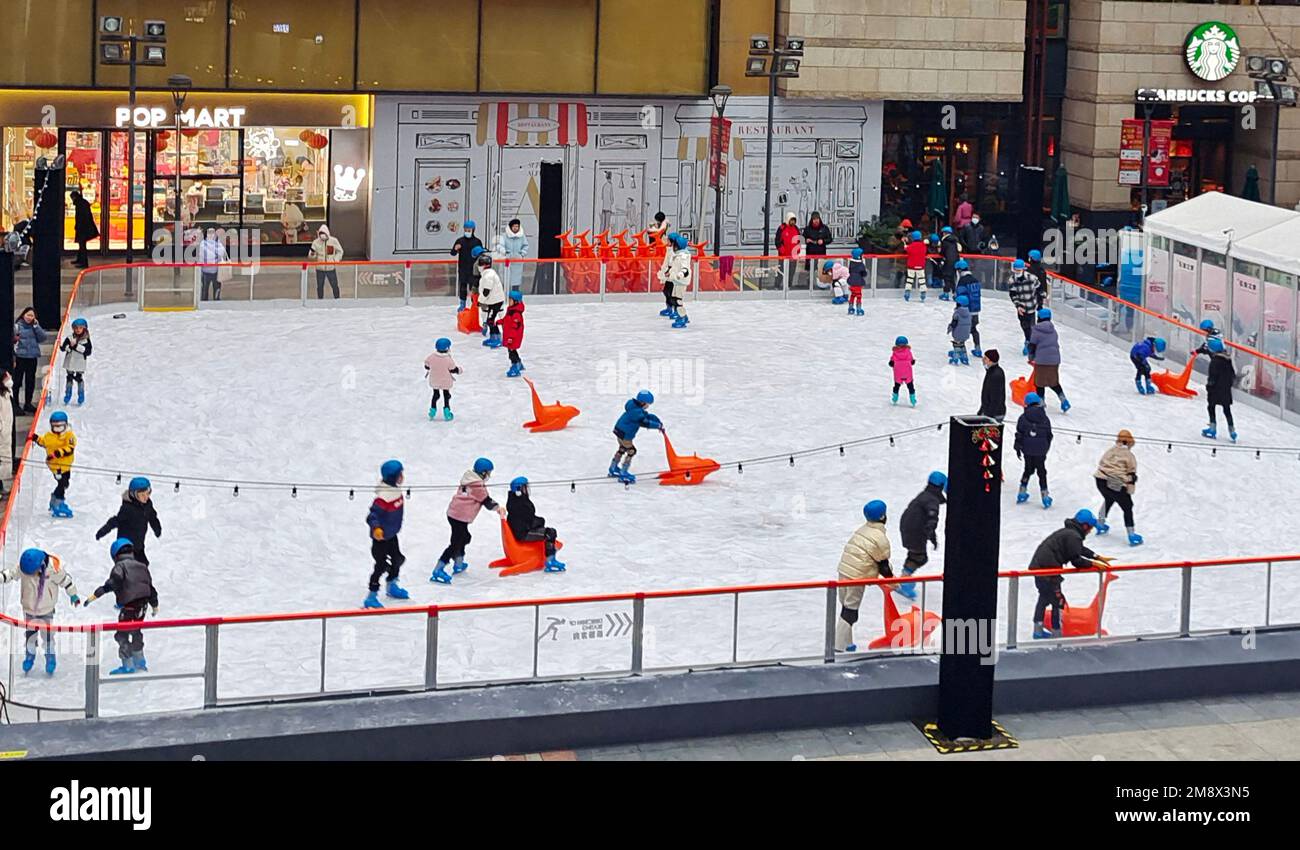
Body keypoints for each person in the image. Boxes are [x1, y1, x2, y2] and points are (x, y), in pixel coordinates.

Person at [1028, 510, 1113, 639]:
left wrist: (1098, 557)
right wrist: (1093, 565)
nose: (1090, 531)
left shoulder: (1069, 533)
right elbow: (1076, 560)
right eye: (1090, 528)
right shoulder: (1073, 536)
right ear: (1084, 526)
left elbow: (1079, 549)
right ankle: (1057, 634)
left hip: (1041, 568)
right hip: (1048, 571)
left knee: (1044, 598)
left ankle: (1038, 631)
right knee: (1058, 601)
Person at [85, 538, 158, 674]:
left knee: (121, 634)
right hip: (143, 606)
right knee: (136, 630)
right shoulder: (142, 566)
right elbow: (150, 587)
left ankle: (128, 664)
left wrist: (98, 593)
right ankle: (140, 660)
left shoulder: (120, 567)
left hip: (129, 606)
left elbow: (114, 582)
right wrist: (154, 604)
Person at [2, 548, 80, 675]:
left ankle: (50, 658)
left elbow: (66, 581)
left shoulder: (53, 569)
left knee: (48, 636)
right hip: (29, 610)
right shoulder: (24, 567)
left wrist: (73, 595)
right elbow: (11, 573)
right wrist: (1, 577)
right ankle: (30, 656)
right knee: (30, 636)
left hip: (46, 610)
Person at [432, 457, 506, 585]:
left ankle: (458, 561)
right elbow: (486, 501)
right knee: (455, 543)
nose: (489, 476)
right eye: (488, 473)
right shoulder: (476, 485)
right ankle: (438, 569)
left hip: (455, 514)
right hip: (459, 517)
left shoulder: (469, 478)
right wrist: (498, 508)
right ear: (483, 472)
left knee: (465, 537)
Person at [835, 500, 892, 651]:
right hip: (856, 576)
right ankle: (838, 647)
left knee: (846, 608)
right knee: (850, 612)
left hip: (844, 571)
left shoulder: (862, 530)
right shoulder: (879, 537)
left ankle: (847, 644)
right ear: (882, 516)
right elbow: (884, 565)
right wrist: (893, 582)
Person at [363, 460, 409, 608]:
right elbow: (372, 516)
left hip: (392, 535)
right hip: (381, 539)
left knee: (397, 559)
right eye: (399, 475)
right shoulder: (383, 497)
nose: (402, 477)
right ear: (392, 477)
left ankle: (392, 584)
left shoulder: (394, 491)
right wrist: (376, 528)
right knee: (380, 565)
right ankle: (371, 595)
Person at [897, 472, 946, 600]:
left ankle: (904, 578)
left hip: (908, 527)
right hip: (915, 531)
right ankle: (904, 581)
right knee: (920, 557)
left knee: (915, 554)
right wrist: (932, 537)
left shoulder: (926, 495)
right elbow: (931, 519)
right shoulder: (932, 501)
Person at [94, 477, 162, 565]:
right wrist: (103, 530)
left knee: (143, 565)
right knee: (128, 569)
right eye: (142, 495)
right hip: (126, 547)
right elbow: (116, 521)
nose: (146, 497)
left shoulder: (147, 504)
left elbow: (152, 516)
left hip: (139, 545)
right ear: (134, 494)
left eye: (148, 493)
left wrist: (157, 529)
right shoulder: (127, 509)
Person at [1093, 429, 1142, 546]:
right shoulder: (1129, 455)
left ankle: (1100, 523)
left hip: (1100, 480)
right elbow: (1131, 474)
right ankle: (1132, 535)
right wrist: (1130, 488)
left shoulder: (1110, 451)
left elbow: (1101, 462)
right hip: (1116, 483)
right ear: (1129, 443)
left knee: (1109, 498)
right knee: (1127, 506)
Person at [506, 477, 566, 572]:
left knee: (545, 528)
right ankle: (550, 561)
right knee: (550, 533)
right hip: (523, 534)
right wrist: (540, 522)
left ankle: (549, 555)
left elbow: (528, 518)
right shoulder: (518, 503)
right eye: (524, 487)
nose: (526, 489)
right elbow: (528, 519)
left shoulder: (517, 500)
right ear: (518, 490)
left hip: (523, 529)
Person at [609, 390, 663, 484]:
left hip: (619, 431)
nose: (648, 406)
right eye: (647, 404)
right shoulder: (637, 412)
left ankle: (613, 468)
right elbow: (644, 422)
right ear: (642, 402)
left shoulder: (634, 407)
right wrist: (658, 426)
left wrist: (655, 419)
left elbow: (645, 416)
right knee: (631, 451)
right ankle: (623, 473)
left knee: (622, 449)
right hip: (625, 434)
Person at [32, 410, 76, 518]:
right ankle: (58, 502)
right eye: (55, 427)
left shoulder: (69, 436)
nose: (57, 429)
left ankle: (55, 500)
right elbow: (44, 442)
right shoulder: (49, 436)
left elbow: (70, 448)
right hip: (56, 467)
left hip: (66, 465)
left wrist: (58, 453)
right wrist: (37, 439)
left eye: (60, 427)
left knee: (64, 484)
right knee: (62, 484)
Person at [1014, 392, 1053, 509]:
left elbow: (1019, 434)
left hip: (1027, 449)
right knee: (1041, 471)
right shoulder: (1045, 418)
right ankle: (1045, 496)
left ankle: (1022, 492)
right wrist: (1045, 448)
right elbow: (1049, 435)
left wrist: (1018, 447)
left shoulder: (1023, 418)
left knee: (1028, 469)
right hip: (1041, 450)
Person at [1028, 308, 1070, 411]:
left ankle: (1041, 403)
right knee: (1054, 382)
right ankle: (1064, 400)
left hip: (1042, 361)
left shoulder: (1036, 330)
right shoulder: (1053, 330)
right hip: (1054, 361)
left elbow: (1032, 346)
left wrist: (1031, 358)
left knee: (1039, 383)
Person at [13, 306, 48, 413]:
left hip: (32, 357)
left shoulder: (34, 326)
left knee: (30, 381)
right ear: (23, 315)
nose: (29, 317)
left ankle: (28, 403)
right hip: (20, 357)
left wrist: (37, 326)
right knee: (17, 381)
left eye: (32, 315)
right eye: (28, 315)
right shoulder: (17, 326)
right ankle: (15, 404)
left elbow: (43, 338)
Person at [1203, 336, 1237, 442]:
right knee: (1227, 410)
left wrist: (1209, 387)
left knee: (1211, 407)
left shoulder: (1215, 361)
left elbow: (1212, 377)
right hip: (1226, 389)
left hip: (1215, 389)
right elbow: (1233, 374)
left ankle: (1212, 427)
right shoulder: (1228, 360)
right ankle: (1232, 430)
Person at [424, 337, 461, 421]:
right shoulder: (448, 359)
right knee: (446, 395)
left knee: (435, 394)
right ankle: (447, 411)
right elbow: (453, 369)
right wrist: (459, 370)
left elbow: (426, 365)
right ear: (447, 348)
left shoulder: (431, 357)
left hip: (435, 380)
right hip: (445, 381)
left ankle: (432, 410)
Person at [1008, 259, 1040, 356]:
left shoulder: (1032, 278)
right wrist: (1018, 305)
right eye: (1016, 270)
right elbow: (1013, 294)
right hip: (1021, 307)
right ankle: (1028, 341)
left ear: (1023, 269)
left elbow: (1039, 288)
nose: (1017, 272)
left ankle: (1032, 344)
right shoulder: (1012, 280)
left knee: (1032, 326)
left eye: (1019, 270)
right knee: (1024, 326)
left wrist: (1041, 299)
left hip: (1032, 306)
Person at [58, 316, 92, 406]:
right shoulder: (70, 338)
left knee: (79, 378)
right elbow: (63, 347)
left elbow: (88, 351)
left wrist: (76, 346)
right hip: (70, 362)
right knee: (69, 377)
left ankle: (81, 394)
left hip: (80, 362)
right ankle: (68, 394)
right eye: (76, 328)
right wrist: (67, 347)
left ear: (84, 328)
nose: (78, 330)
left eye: (80, 328)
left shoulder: (86, 340)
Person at [450, 220, 483, 311]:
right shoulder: (460, 241)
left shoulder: (477, 241)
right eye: (466, 229)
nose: (467, 231)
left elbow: (481, 254)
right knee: (463, 287)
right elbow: (452, 253)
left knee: (474, 288)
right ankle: (462, 304)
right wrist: (455, 249)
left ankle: (475, 304)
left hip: (474, 270)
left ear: (473, 230)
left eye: (469, 229)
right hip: (463, 269)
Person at [661, 232, 692, 329]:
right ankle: (682, 315)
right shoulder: (677, 255)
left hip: (681, 281)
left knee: (678, 300)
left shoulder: (683, 256)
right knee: (674, 299)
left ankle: (682, 317)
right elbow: (674, 266)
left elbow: (685, 269)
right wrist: (669, 273)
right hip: (675, 281)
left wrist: (680, 274)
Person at [953, 259, 983, 356]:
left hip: (965, 310)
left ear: (959, 270)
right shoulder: (974, 279)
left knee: (961, 328)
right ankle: (978, 348)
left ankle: (960, 350)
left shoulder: (962, 281)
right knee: (973, 329)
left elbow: (961, 296)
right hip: (975, 309)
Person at [476, 252, 505, 348]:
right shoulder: (487, 274)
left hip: (495, 301)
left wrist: (480, 301)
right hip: (493, 300)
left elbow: (486, 291)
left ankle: (496, 338)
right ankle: (495, 336)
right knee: (490, 320)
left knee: (490, 320)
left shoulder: (488, 276)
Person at [308, 225, 343, 299]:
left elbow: (340, 251)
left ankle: (337, 299)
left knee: (334, 285)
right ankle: (320, 300)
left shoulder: (334, 241)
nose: (322, 237)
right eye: (321, 234)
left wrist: (335, 260)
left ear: (327, 233)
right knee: (320, 286)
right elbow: (310, 256)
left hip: (331, 268)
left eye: (324, 234)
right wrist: (312, 254)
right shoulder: (315, 242)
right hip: (320, 269)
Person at [494, 218, 529, 291]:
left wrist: (522, 254)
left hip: (517, 261)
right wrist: (504, 252)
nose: (516, 228)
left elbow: (526, 246)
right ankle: (504, 296)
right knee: (505, 279)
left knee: (516, 281)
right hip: (506, 260)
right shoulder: (504, 236)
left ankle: (515, 297)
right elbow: (499, 246)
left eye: (517, 226)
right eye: (514, 226)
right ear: (510, 227)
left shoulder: (522, 236)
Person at [70, 189, 98, 268]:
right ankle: (79, 259)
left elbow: (81, 217)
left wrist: (78, 226)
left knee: (82, 245)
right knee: (81, 244)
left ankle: (84, 263)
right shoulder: (82, 202)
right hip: (84, 227)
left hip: (83, 227)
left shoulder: (80, 204)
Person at [802, 211, 832, 284]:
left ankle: (822, 285)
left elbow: (830, 239)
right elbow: (801, 239)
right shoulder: (807, 229)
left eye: (817, 219)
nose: (816, 221)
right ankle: (809, 285)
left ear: (819, 219)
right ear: (812, 220)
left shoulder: (824, 228)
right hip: (810, 254)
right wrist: (806, 240)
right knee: (810, 271)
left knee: (821, 270)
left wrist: (823, 241)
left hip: (821, 253)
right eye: (814, 219)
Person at [199, 228, 228, 301]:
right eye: (209, 233)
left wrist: (212, 253)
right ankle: (204, 303)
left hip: (217, 272)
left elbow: (222, 253)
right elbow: (205, 256)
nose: (211, 235)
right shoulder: (202, 244)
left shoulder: (218, 243)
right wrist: (215, 254)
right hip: (205, 272)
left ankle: (217, 301)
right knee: (204, 290)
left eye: (213, 233)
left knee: (217, 289)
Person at [502, 290, 526, 377]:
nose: (509, 302)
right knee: (512, 350)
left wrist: (511, 338)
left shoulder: (516, 314)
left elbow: (514, 328)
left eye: (510, 300)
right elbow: (506, 319)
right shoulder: (511, 310)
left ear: (516, 301)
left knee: (511, 352)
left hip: (513, 337)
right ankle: (519, 363)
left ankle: (515, 365)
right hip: (510, 335)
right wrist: (500, 322)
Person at [978, 349, 1006, 421]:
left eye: (985, 358)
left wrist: (988, 415)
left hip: (994, 414)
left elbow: (996, 398)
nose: (983, 360)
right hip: (989, 411)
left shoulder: (995, 375)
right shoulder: (991, 371)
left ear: (991, 361)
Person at [889, 335, 917, 407]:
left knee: (896, 386)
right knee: (910, 386)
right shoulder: (908, 352)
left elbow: (892, 361)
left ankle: (894, 398)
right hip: (907, 372)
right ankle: (913, 400)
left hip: (898, 372)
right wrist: (912, 362)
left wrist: (891, 363)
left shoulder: (895, 352)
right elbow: (911, 360)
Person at [947, 294, 972, 366]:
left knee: (957, 345)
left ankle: (955, 358)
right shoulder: (969, 313)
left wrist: (949, 328)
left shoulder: (957, 313)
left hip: (958, 333)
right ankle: (965, 357)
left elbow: (954, 323)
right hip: (966, 333)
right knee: (962, 344)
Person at [903, 229, 927, 302]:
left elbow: (906, 249)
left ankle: (907, 293)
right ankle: (923, 294)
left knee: (909, 280)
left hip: (911, 266)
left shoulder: (911, 246)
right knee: (922, 280)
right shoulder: (923, 246)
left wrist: (904, 243)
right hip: (921, 266)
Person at [938, 226, 961, 300]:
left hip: (948, 261)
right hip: (955, 261)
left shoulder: (945, 242)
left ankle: (946, 293)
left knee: (947, 277)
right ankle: (955, 294)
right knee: (952, 277)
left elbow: (942, 252)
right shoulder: (954, 241)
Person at [0, 370, 12, 498]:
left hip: (6, 434)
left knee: (4, 460)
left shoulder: (7, 394)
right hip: (1, 434)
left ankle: (1, 485)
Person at [846, 248, 867, 316]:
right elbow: (864, 274)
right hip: (858, 282)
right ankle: (859, 309)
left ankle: (850, 308)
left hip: (851, 282)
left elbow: (849, 271)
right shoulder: (861, 265)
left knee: (853, 295)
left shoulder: (851, 263)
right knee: (859, 296)